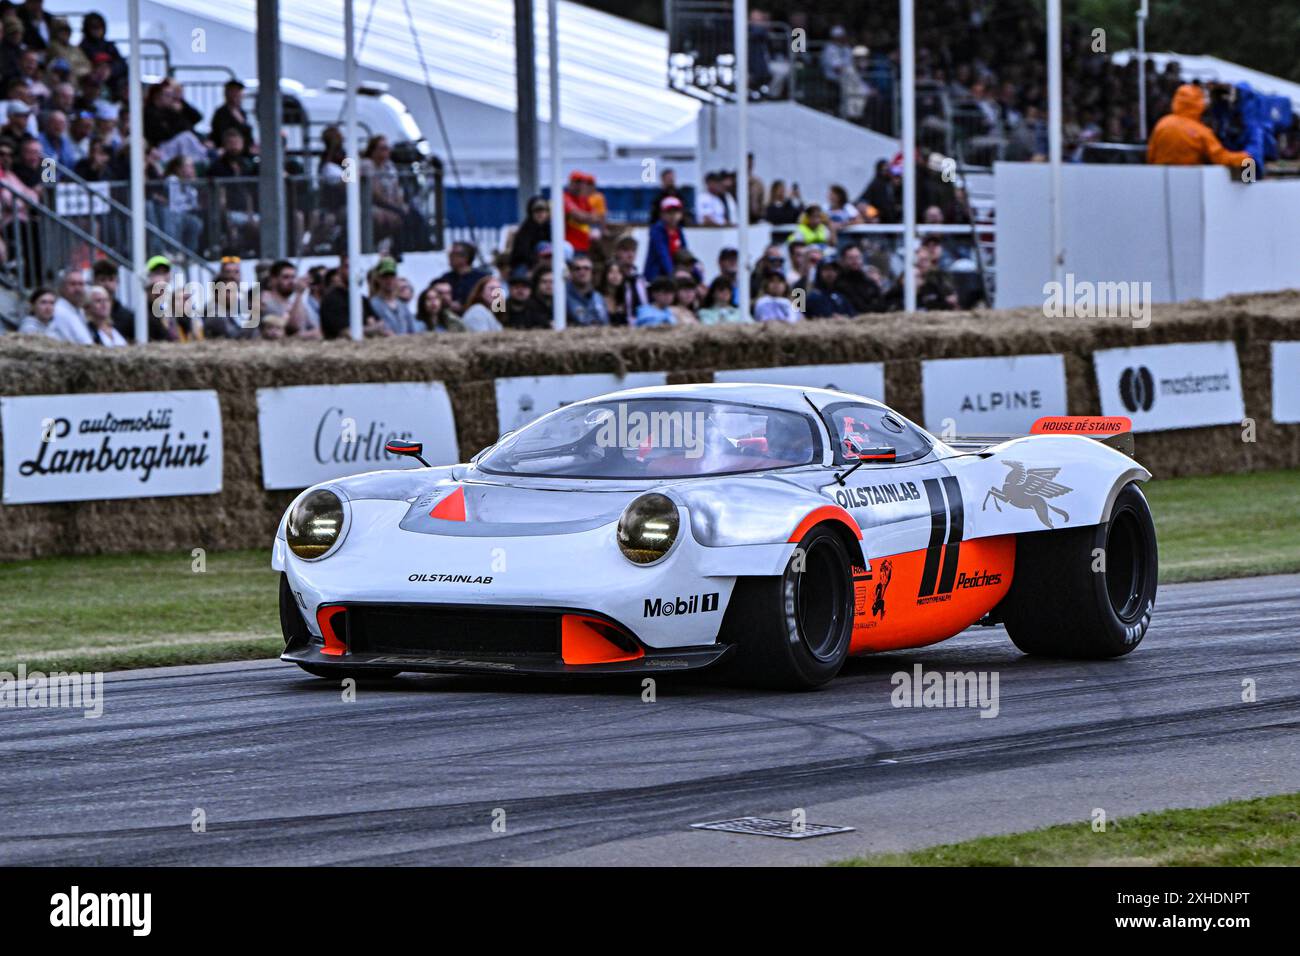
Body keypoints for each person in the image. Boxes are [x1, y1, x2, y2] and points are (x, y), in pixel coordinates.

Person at [1147, 83, 1252, 170]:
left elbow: (1151, 155)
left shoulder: (1162, 123)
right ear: (1199, 103)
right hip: (1191, 179)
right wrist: (1245, 157)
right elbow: (1220, 157)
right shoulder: (1201, 131)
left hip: (1160, 178)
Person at [260, 259, 320, 338]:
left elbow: (317, 330)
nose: (291, 281)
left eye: (293, 277)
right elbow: (293, 327)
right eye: (286, 277)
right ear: (273, 279)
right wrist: (299, 294)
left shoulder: (294, 302)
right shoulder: (265, 301)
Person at [368, 257, 421, 334]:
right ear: (378, 278)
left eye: (392, 276)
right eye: (385, 276)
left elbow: (412, 332)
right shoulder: (372, 305)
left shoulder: (403, 306)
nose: (389, 280)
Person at [434, 240, 489, 311]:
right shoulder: (445, 278)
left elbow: (499, 305)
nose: (450, 257)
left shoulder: (484, 279)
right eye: (450, 254)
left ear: (465, 257)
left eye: (453, 254)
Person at [643, 196, 687, 281]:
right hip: (656, 277)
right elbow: (663, 255)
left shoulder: (679, 230)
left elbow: (685, 253)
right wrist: (673, 276)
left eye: (676, 212)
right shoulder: (657, 230)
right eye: (669, 212)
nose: (673, 215)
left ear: (681, 214)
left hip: (672, 275)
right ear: (662, 214)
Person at [834, 244, 884, 314]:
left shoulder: (869, 282)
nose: (855, 261)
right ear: (843, 260)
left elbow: (881, 304)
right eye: (850, 258)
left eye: (857, 257)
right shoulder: (838, 284)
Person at [209, 78, 254, 155]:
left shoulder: (242, 112)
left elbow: (248, 133)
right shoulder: (221, 112)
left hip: (244, 148)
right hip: (229, 149)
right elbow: (220, 133)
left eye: (238, 91)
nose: (237, 94)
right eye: (233, 91)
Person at [51, 267, 93, 343]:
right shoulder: (59, 311)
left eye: (81, 284)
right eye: (73, 284)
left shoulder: (79, 310)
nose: (78, 288)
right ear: (62, 288)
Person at [564, 253, 608, 326]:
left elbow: (605, 323)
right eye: (577, 268)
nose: (582, 272)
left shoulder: (598, 297)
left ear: (592, 272)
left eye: (586, 268)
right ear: (571, 272)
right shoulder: (563, 298)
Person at [509, 195, 551, 270]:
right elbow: (523, 253)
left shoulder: (551, 228)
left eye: (543, 210)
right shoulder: (525, 230)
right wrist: (538, 261)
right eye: (537, 211)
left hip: (547, 263)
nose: (540, 214)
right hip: (525, 264)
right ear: (531, 213)